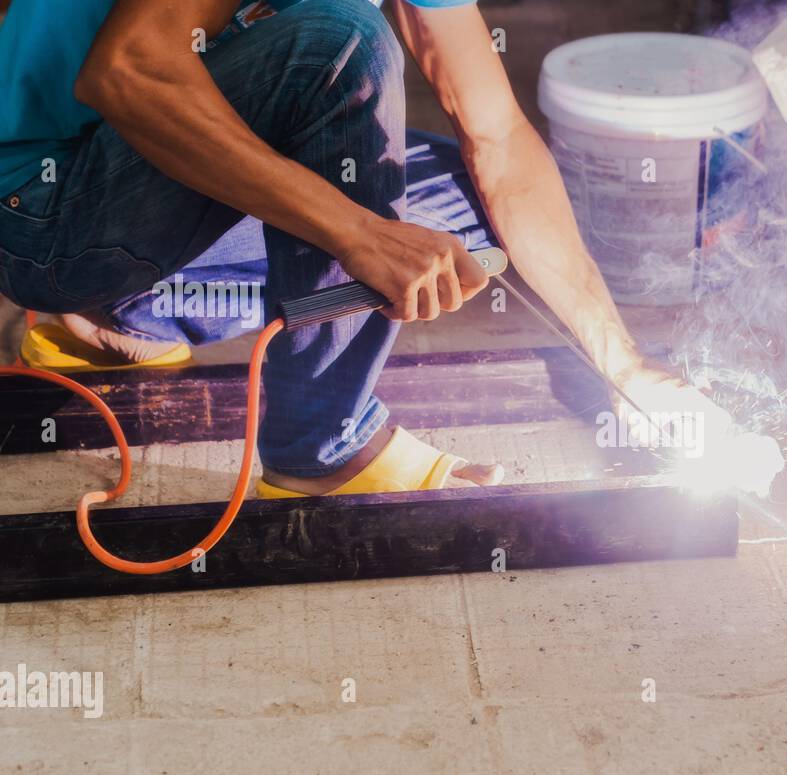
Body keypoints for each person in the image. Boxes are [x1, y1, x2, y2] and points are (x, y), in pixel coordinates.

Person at [0, 0, 721, 495]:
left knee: (479, 217)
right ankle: (323, 445)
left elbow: (498, 140)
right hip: (45, 216)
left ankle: (135, 312)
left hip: (139, 205)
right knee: (337, 45)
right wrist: (358, 233)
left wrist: (623, 361)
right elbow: (129, 71)